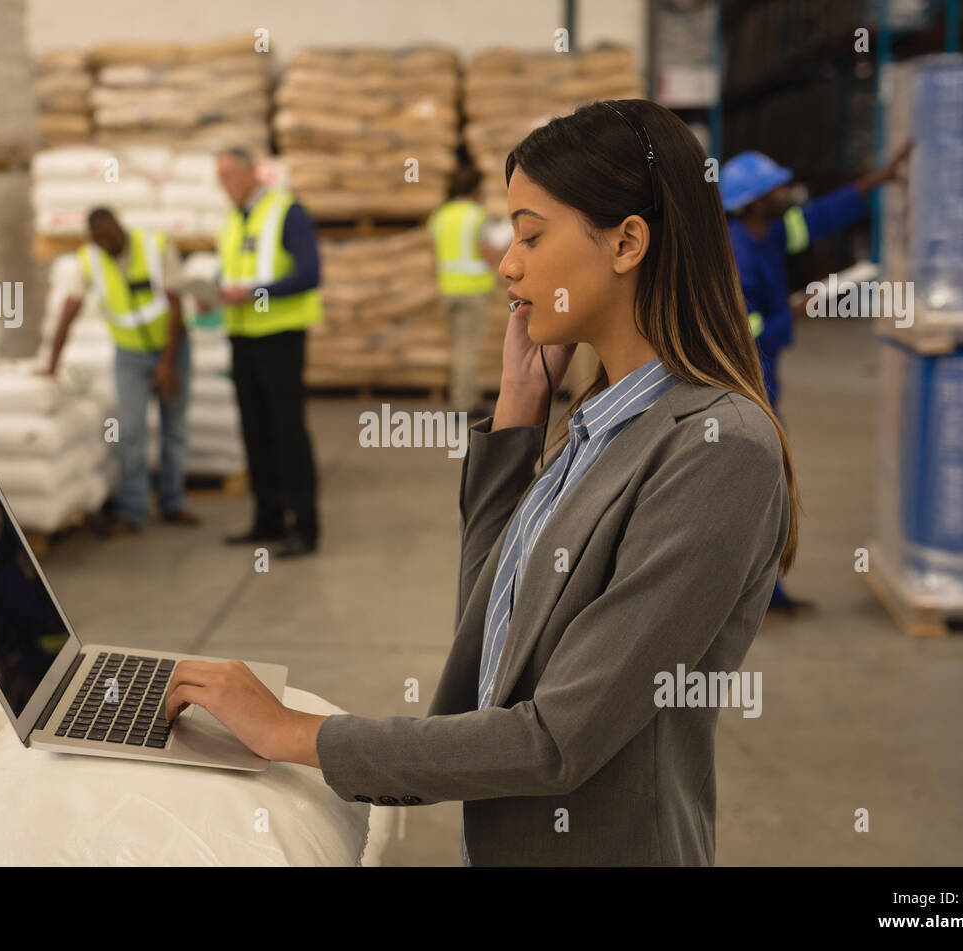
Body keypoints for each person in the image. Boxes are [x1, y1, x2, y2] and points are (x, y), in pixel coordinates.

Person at [161, 101, 799, 866]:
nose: (508, 263)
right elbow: (492, 643)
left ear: (627, 242)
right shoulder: (600, 416)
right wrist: (517, 416)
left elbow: (555, 738)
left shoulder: (716, 449)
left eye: (531, 235)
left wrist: (291, 732)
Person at [721, 144, 910, 614]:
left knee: (768, 480)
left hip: (766, 373)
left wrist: (878, 179)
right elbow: (737, 328)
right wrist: (793, 309)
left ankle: (767, 592)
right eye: (777, 187)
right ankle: (755, 595)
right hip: (744, 376)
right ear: (755, 200)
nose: (787, 191)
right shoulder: (735, 250)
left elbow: (820, 217)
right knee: (758, 481)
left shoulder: (771, 230)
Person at [45, 208, 199, 534]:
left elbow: (176, 309)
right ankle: (132, 511)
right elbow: (69, 310)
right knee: (130, 431)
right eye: (98, 240)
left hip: (172, 348)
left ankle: (173, 503)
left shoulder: (155, 246)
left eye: (109, 236)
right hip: (129, 356)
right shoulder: (89, 259)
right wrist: (51, 364)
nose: (105, 243)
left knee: (174, 428)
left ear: (120, 226)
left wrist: (167, 365)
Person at [215, 147, 322, 558]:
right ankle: (268, 517)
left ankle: (305, 527)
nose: (223, 184)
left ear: (252, 173)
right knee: (254, 430)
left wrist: (254, 293)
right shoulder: (231, 220)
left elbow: (310, 274)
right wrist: (217, 293)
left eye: (228, 174)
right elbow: (234, 270)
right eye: (219, 176)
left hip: (280, 336)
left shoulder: (287, 212)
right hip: (241, 335)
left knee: (287, 433)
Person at [428, 166, 503, 417]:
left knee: (459, 347)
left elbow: (435, 253)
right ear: (475, 188)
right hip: (473, 290)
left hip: (447, 290)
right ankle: (464, 403)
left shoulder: (440, 215)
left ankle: (465, 396)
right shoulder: (477, 216)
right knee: (467, 349)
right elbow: (487, 253)